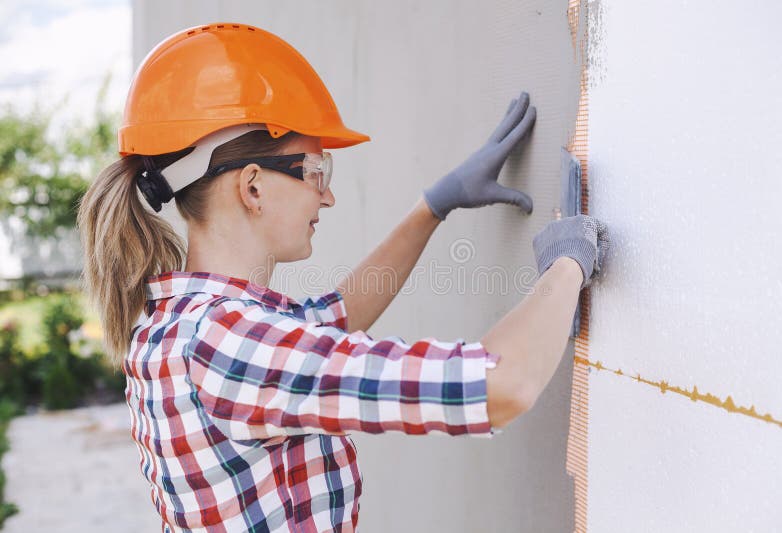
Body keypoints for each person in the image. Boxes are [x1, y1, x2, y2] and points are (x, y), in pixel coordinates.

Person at [77, 22, 609, 533]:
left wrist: (433, 207)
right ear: (253, 187)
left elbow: (335, 319)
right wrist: (567, 264)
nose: (326, 194)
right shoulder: (228, 343)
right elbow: (501, 385)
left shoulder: (179, 323)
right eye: (316, 171)